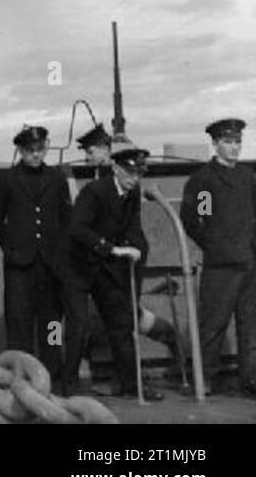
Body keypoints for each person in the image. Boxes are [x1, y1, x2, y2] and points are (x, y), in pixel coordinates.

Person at [62, 146, 172, 400]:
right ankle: (67, 387)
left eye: (138, 173)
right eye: (130, 172)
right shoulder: (94, 192)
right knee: (76, 328)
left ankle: (131, 386)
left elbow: (133, 227)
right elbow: (77, 229)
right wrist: (112, 249)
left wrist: (137, 249)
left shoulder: (132, 193)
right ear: (116, 168)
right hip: (77, 268)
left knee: (121, 324)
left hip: (106, 268)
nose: (134, 178)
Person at [181, 118, 256, 396]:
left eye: (237, 142)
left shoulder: (248, 178)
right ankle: (206, 378)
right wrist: (214, 246)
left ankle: (250, 378)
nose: (234, 148)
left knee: (251, 326)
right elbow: (195, 219)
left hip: (249, 262)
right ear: (215, 144)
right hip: (221, 266)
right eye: (228, 142)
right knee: (213, 324)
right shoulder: (204, 180)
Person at [0, 124, 71, 377]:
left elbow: (65, 217)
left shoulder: (57, 178)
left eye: (40, 149)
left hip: (50, 264)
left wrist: (59, 251)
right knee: (19, 322)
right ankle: (21, 374)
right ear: (20, 150)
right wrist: (13, 248)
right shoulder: (6, 179)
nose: (36, 155)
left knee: (52, 323)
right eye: (30, 150)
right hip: (20, 265)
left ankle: (54, 372)